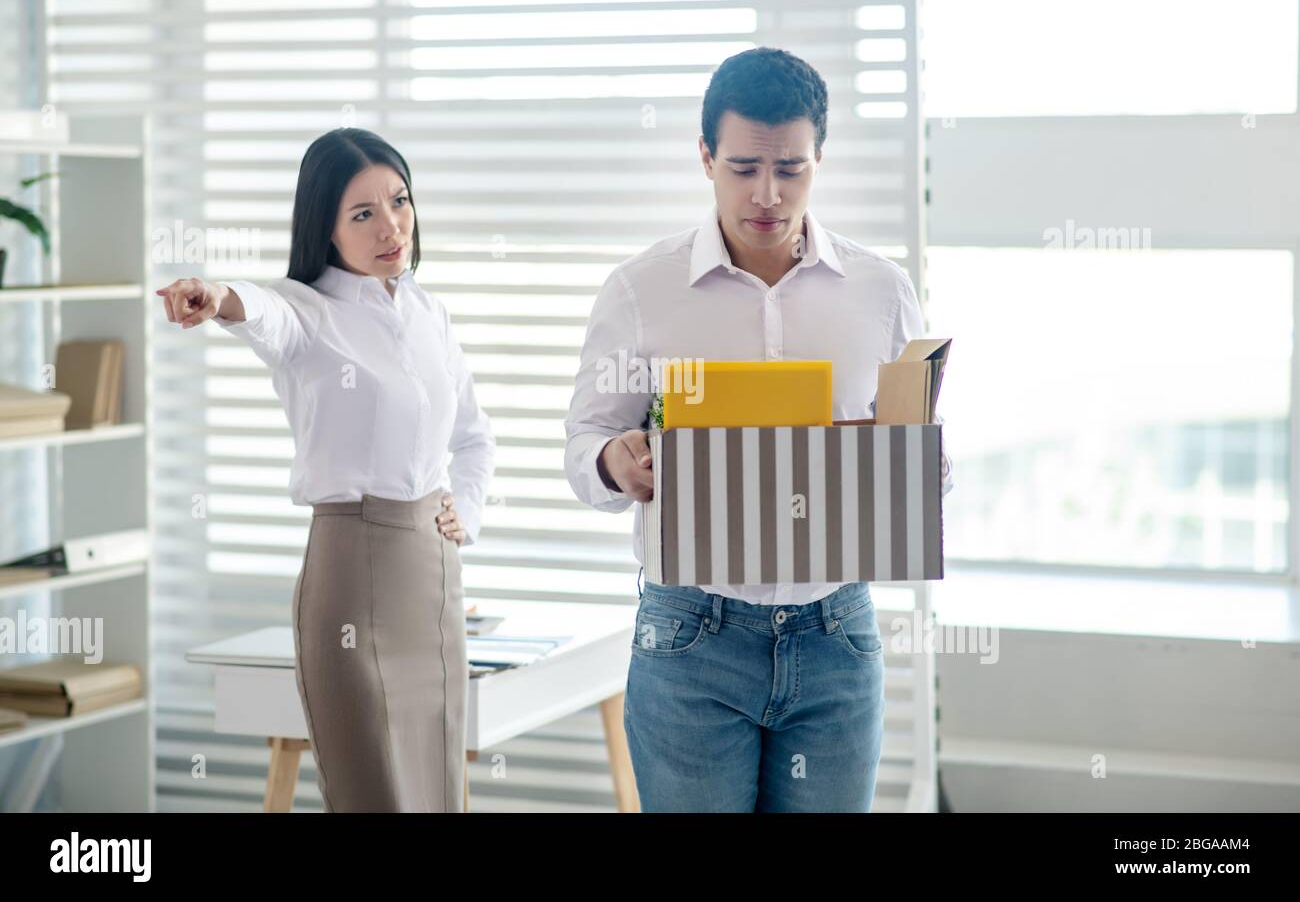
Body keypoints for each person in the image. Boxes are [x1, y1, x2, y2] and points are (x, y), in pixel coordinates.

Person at [564, 47, 953, 812]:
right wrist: (617, 461)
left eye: (791, 169)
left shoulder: (880, 290)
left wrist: (924, 464)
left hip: (836, 632)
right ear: (705, 156)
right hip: (689, 637)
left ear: (819, 160)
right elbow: (585, 447)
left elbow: (916, 445)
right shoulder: (642, 290)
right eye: (743, 168)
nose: (768, 195)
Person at [156, 128, 495, 812]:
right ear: (326, 228)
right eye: (362, 213)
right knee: (373, 794)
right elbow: (260, 311)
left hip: (434, 582)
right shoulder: (306, 311)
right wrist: (215, 295)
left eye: (398, 202)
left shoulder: (431, 313)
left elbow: (474, 438)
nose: (390, 225)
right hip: (351, 578)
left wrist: (471, 510)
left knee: (440, 792)